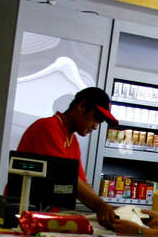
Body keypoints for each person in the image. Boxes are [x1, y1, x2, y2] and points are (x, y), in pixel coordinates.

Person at [10, 87, 118, 228]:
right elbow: (68, 179)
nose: (96, 126)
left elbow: (82, 184)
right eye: (96, 118)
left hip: (42, 216)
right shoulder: (48, 127)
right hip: (22, 214)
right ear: (81, 106)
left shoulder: (72, 141)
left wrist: (107, 208)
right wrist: (100, 206)